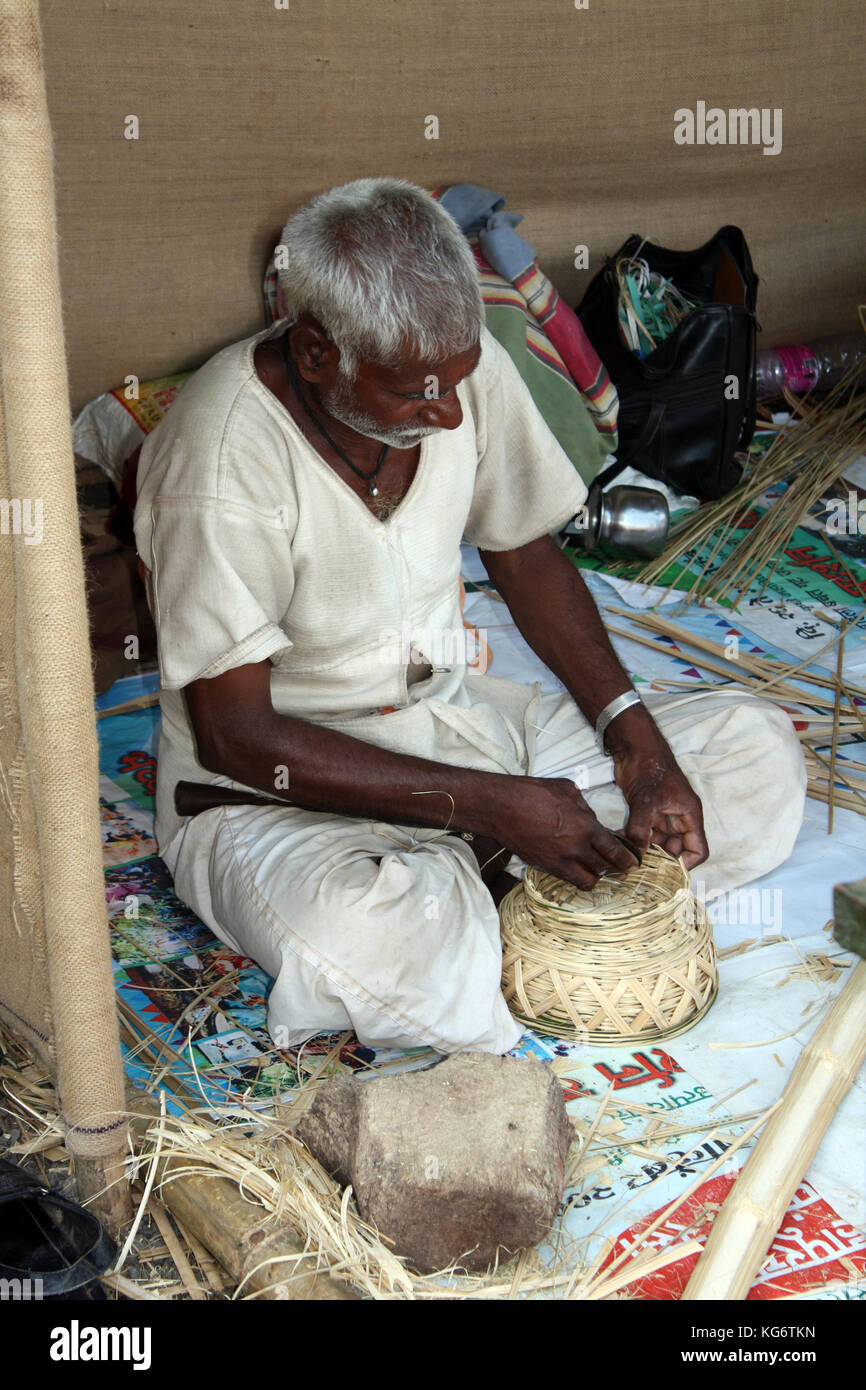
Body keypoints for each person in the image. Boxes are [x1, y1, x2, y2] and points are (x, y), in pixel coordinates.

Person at [134, 177, 806, 1055]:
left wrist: (634, 739)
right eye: (419, 393)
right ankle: (517, 899)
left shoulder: (451, 361)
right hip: (274, 792)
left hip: (456, 727)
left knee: (758, 756)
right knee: (381, 951)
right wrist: (491, 808)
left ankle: (499, 894)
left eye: (458, 381)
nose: (449, 412)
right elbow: (235, 738)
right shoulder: (220, 463)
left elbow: (523, 551)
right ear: (314, 353)